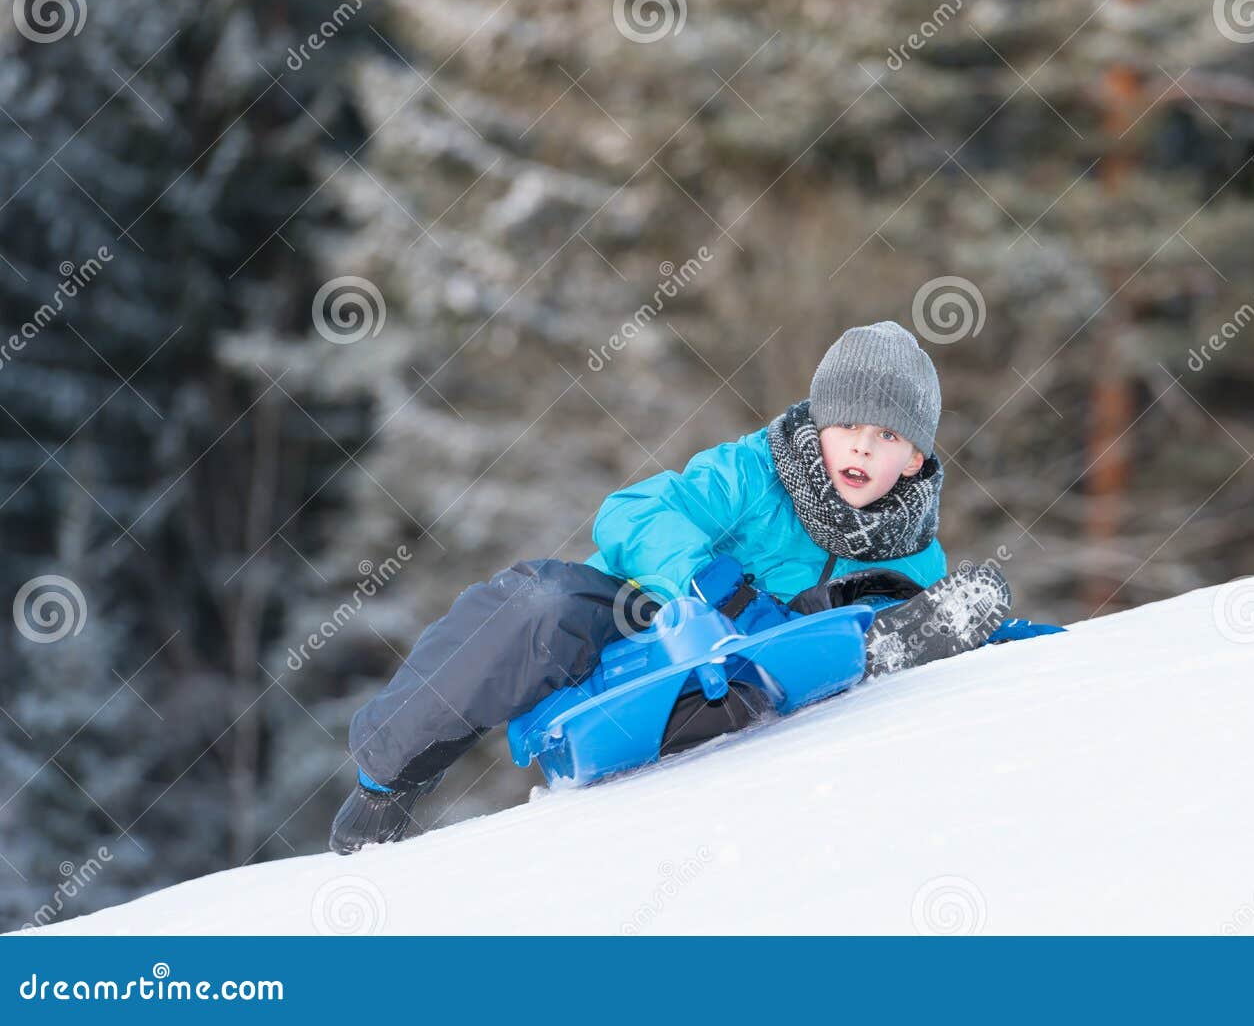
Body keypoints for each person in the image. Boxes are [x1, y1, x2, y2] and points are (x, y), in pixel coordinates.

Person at [329, 320, 1040, 855]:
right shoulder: (755, 471)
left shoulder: (909, 550)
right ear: (819, 422)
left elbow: (932, 614)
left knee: (869, 607)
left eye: (885, 436)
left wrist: (1008, 640)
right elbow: (634, 513)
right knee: (535, 604)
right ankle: (387, 778)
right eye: (847, 424)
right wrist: (707, 583)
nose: (860, 444)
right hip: (644, 625)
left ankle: (860, 648)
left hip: (767, 658)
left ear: (914, 457)